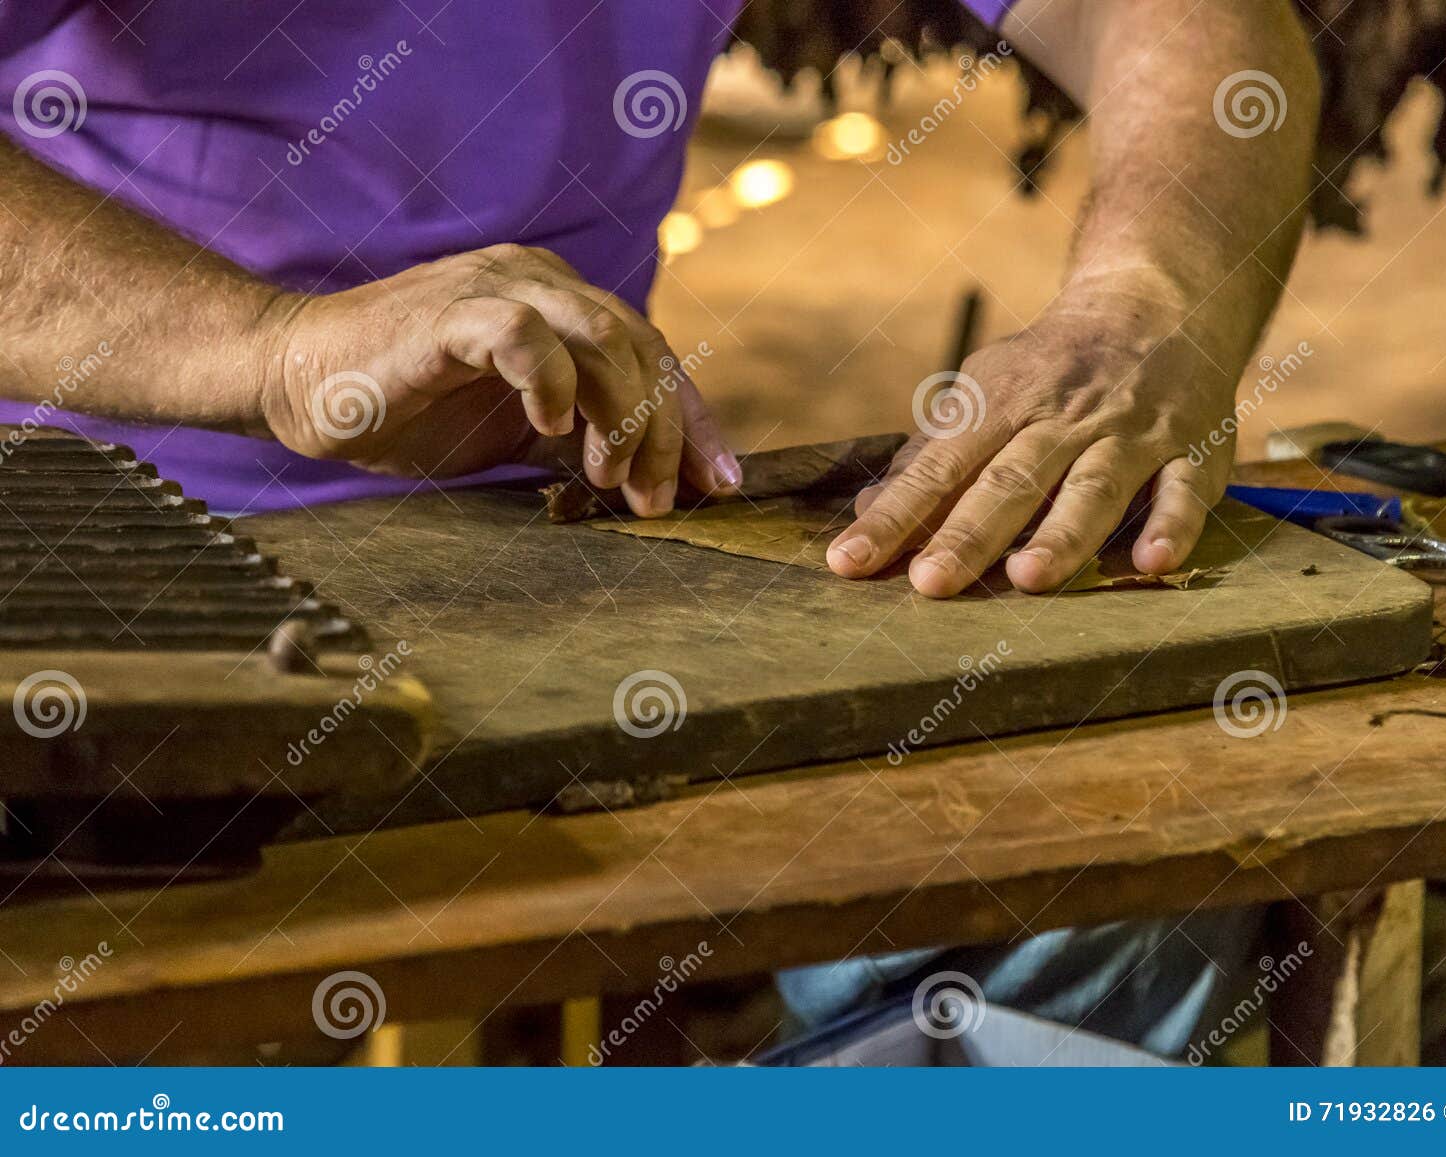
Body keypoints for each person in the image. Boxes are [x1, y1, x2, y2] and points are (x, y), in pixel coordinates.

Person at [0, 2, 1318, 1055]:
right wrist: (277, 350)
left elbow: (1200, 25)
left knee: (1100, 878)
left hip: (563, 539)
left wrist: (1148, 298)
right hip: (106, 554)